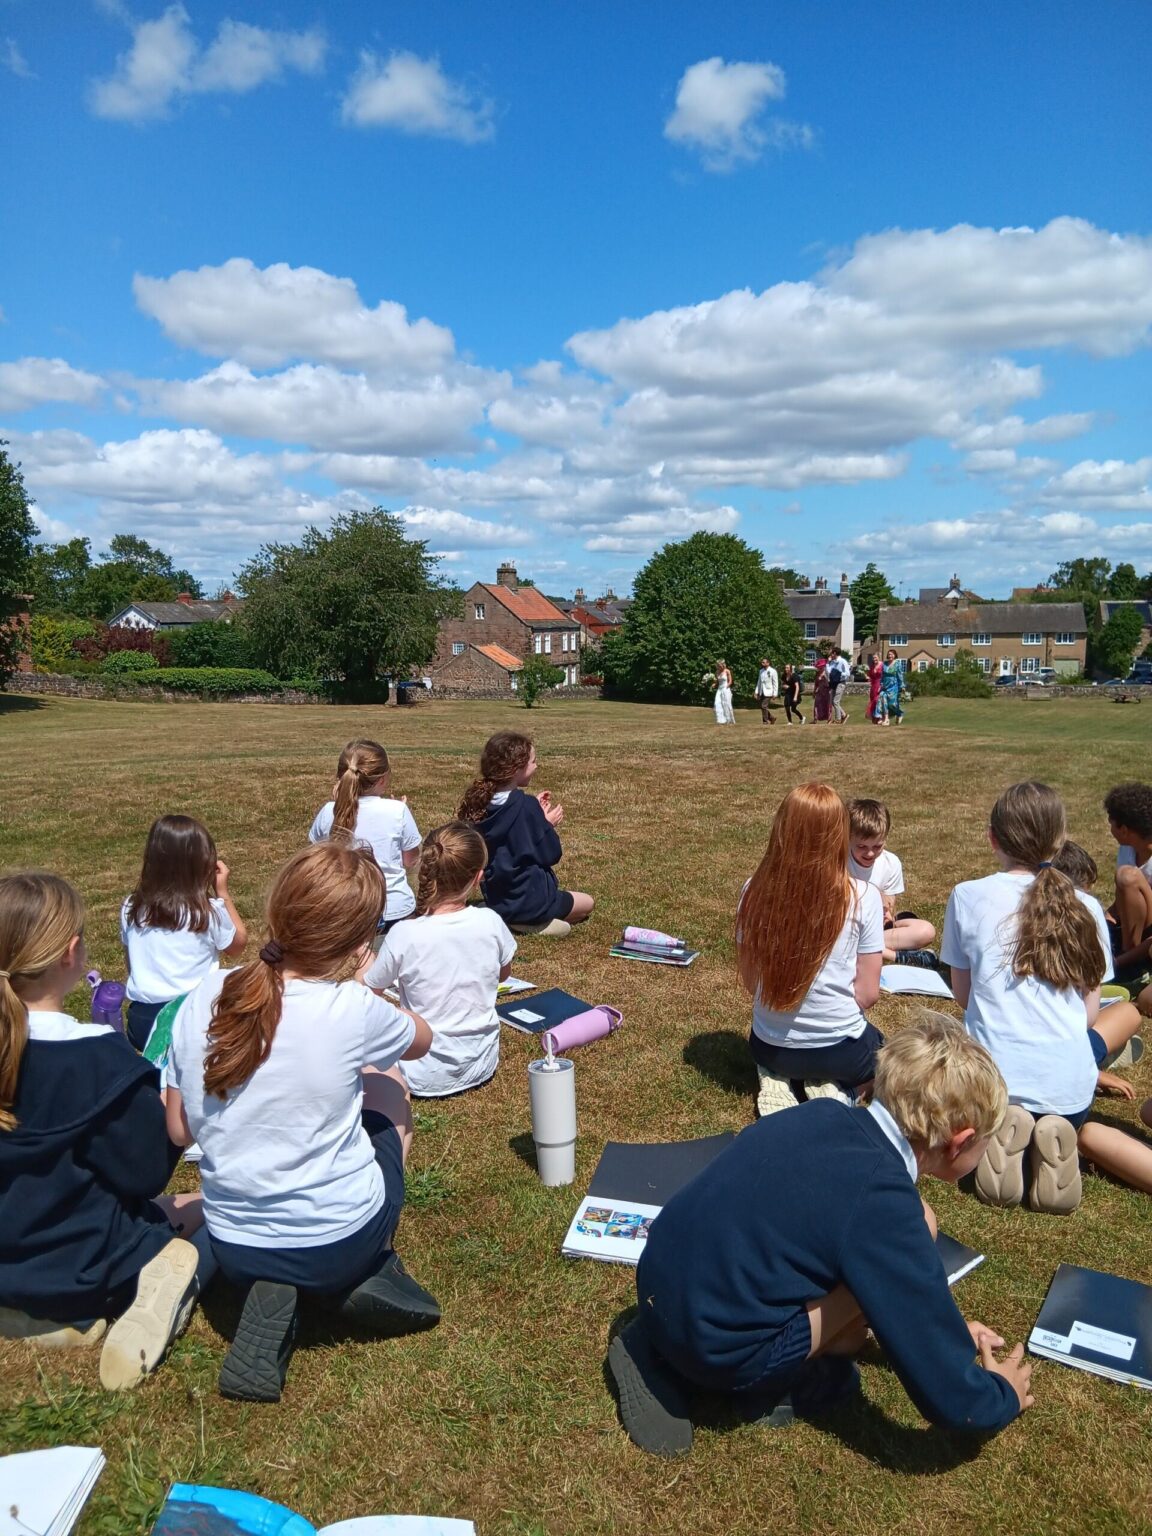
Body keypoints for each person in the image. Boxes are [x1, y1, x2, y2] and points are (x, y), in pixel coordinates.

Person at [606, 1015, 1032, 1458]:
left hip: (661, 1276)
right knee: (840, 1369)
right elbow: (950, 1398)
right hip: (712, 1343)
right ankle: (741, 1384)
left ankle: (666, 1344)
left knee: (913, 1229)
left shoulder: (824, 1112)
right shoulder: (881, 1201)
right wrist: (1000, 1394)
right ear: (959, 1143)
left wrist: (951, 1330)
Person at [166, 840, 439, 1404]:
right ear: (359, 940)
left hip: (235, 1243)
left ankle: (292, 1290)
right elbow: (422, 1039)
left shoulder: (203, 995)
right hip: (336, 1234)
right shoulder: (349, 1006)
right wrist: (364, 985)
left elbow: (179, 1131)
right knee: (389, 1085)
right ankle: (357, 1274)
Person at [0, 872, 214, 1391]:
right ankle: (162, 1285)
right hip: (85, 1263)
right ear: (71, 954)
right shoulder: (93, 1056)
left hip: (10, 1255)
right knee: (208, 1214)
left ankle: (33, 1312)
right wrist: (166, 1089)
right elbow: (143, 1171)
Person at [941, 782, 1143, 1214]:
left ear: (992, 838)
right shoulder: (1086, 907)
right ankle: (1046, 1136)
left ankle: (1002, 1132)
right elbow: (1088, 1015)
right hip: (1069, 1096)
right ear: (1059, 841)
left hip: (989, 1090)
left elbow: (963, 996)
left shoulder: (966, 896)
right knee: (1123, 1013)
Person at [740, 783, 884, 1115]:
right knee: (887, 1056)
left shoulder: (752, 891)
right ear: (840, 836)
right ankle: (840, 1090)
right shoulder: (864, 896)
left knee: (794, 1059)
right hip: (840, 1049)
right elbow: (867, 994)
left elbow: (751, 982)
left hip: (768, 1046)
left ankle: (779, 1078)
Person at [364, 822, 517, 1097]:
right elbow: (504, 973)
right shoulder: (491, 921)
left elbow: (370, 991)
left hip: (420, 1071)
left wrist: (362, 956)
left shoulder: (405, 934)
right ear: (477, 877)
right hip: (482, 1063)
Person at [121, 816, 248, 1052]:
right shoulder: (207, 912)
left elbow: (131, 961)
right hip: (191, 1016)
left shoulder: (131, 907)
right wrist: (223, 893)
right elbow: (238, 945)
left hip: (142, 1020)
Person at [457, 732, 594, 938]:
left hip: (497, 895)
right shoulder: (525, 806)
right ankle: (530, 924)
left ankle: (501, 915)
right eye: (533, 761)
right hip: (531, 899)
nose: (536, 766)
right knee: (587, 903)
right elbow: (551, 854)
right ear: (516, 769)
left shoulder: (480, 803)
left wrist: (536, 815)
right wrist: (546, 824)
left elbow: (513, 829)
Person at [309, 740, 422, 934]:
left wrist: (339, 803)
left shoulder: (329, 812)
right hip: (395, 909)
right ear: (383, 779)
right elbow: (411, 860)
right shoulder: (397, 810)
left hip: (346, 910)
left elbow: (317, 861)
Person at [848, 799, 937, 962]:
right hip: (845, 926)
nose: (870, 854)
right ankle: (897, 956)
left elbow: (888, 908)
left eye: (877, 847)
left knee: (926, 930)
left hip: (874, 929)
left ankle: (869, 948)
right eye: (862, 847)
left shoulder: (891, 863)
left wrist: (886, 913)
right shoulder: (839, 861)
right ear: (848, 839)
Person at [1102, 782, 1152, 987]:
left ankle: (1130, 962)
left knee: (1128, 877)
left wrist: (1117, 962)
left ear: (1123, 829)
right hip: (1138, 927)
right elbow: (1123, 899)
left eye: (1111, 823)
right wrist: (1105, 916)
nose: (1110, 828)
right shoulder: (1128, 849)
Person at [881, 649, 905, 725]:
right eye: (889, 654)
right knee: (883, 700)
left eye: (891, 654)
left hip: (894, 686)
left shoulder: (897, 664)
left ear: (895, 655)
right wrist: (881, 683)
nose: (890, 656)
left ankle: (899, 713)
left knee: (892, 704)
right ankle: (886, 719)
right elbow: (882, 675)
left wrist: (902, 685)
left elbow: (900, 675)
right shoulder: (884, 664)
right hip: (885, 685)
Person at [827, 652, 850, 724]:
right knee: (833, 702)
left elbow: (847, 673)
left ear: (835, 653)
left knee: (836, 701)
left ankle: (838, 719)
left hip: (841, 682)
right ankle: (844, 715)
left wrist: (839, 674)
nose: (830, 655)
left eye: (832, 654)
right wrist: (828, 663)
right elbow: (828, 672)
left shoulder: (843, 661)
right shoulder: (833, 663)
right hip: (834, 683)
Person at [754, 657, 778, 725]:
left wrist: (775, 693)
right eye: (762, 662)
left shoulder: (773, 671)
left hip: (769, 691)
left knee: (763, 706)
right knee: (763, 707)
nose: (762, 663)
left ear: (768, 663)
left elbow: (775, 683)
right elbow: (759, 682)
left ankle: (765, 721)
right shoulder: (761, 671)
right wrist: (756, 692)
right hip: (762, 691)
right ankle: (771, 718)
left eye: (764, 662)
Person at [713, 660, 735, 726]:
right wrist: (714, 684)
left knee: (726, 704)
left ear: (723, 665)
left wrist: (726, 687)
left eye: (720, 666)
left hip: (726, 689)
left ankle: (729, 720)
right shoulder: (717, 672)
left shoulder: (727, 671)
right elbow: (717, 681)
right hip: (719, 689)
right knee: (717, 703)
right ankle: (721, 720)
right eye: (718, 666)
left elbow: (730, 681)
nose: (719, 667)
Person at [812, 657, 831, 723]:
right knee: (816, 704)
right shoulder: (817, 674)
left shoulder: (827, 673)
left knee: (827, 705)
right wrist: (814, 692)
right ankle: (815, 718)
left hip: (826, 691)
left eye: (821, 667)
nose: (820, 668)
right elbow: (816, 684)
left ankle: (829, 719)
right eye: (819, 667)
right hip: (819, 691)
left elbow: (829, 682)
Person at [867, 652, 885, 724]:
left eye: (875, 657)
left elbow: (884, 676)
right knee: (873, 702)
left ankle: (880, 717)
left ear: (879, 657)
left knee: (878, 700)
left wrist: (881, 685)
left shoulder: (882, 665)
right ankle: (874, 718)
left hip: (880, 685)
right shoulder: (872, 666)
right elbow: (871, 676)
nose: (874, 659)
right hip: (873, 686)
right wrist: (868, 677)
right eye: (873, 658)